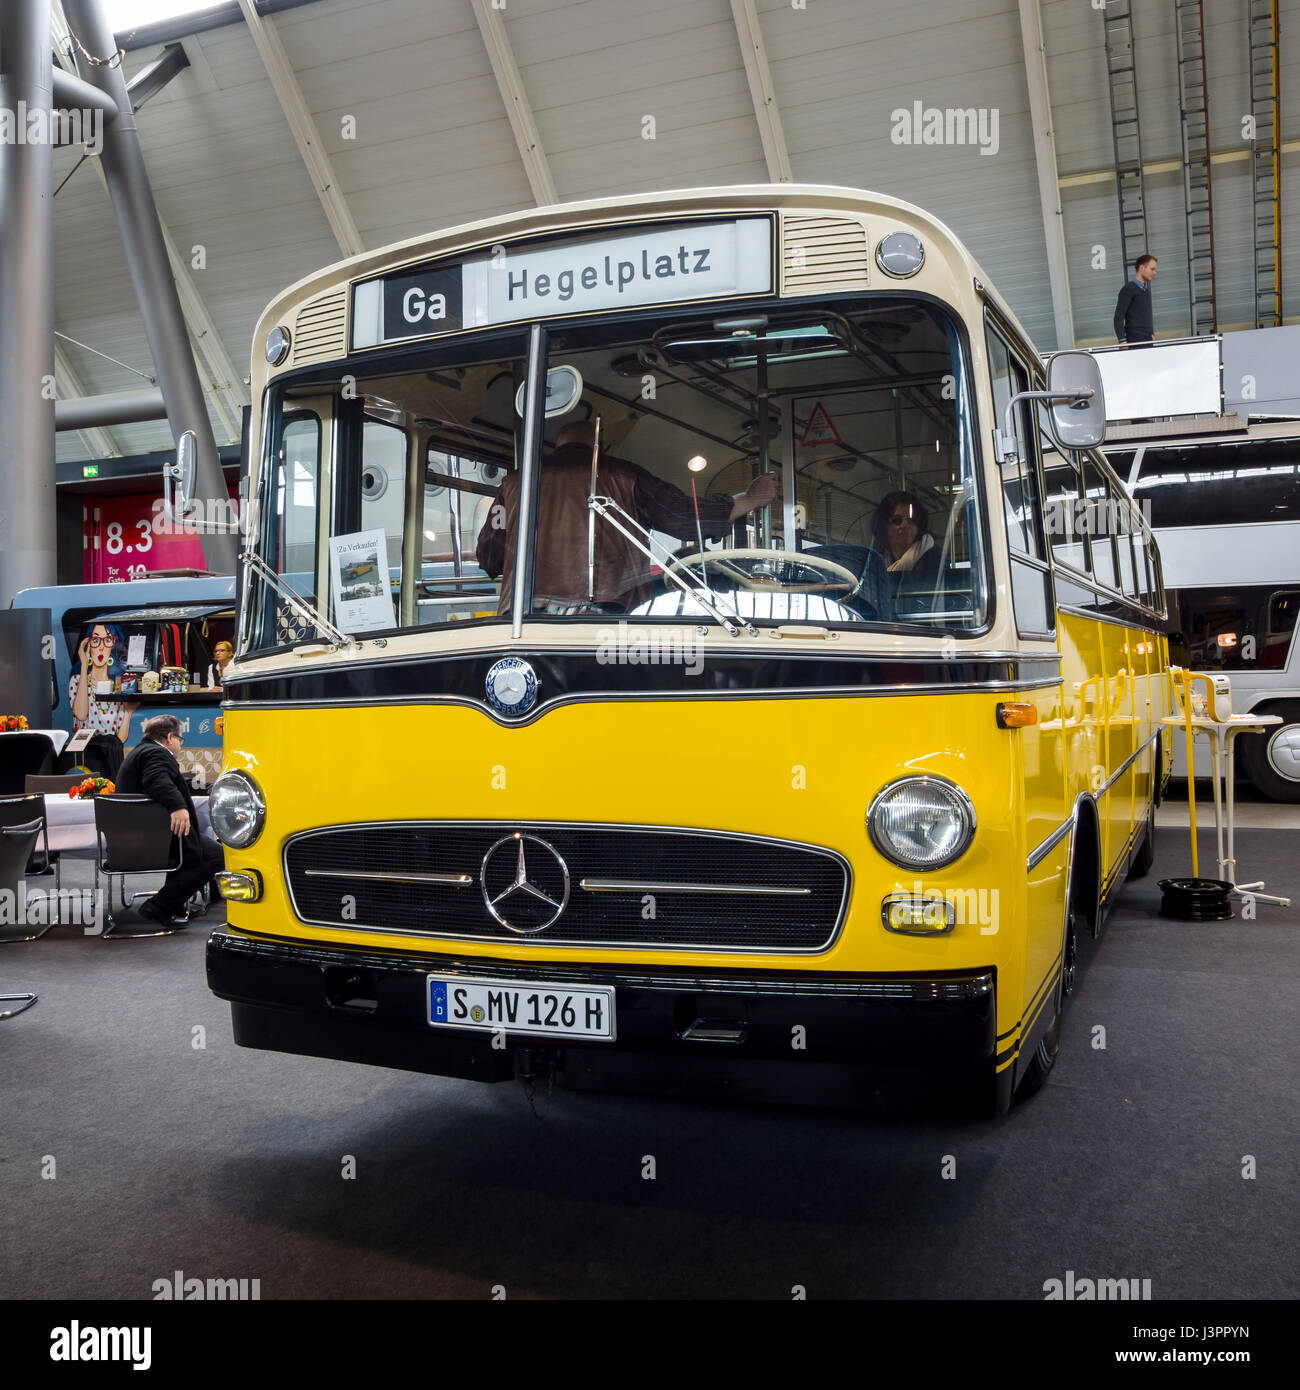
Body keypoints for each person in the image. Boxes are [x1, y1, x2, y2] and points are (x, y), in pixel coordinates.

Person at [475, 419, 779, 614]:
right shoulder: (623, 475)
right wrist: (748, 500)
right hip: (605, 612)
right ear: (601, 447)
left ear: (558, 446)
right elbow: (684, 517)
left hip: (522, 617)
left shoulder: (514, 483)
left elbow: (489, 556)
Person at [116, 714, 223, 929]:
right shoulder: (156, 754)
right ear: (169, 737)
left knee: (203, 850)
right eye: (180, 740)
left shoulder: (143, 751)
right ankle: (159, 906)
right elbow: (158, 781)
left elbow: (171, 781)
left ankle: (171, 904)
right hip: (154, 838)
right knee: (217, 856)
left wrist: (204, 786)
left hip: (140, 835)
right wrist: (178, 807)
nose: (180, 745)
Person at [873, 491, 943, 614]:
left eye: (911, 520)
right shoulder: (875, 560)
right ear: (884, 526)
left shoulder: (934, 557)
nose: (905, 525)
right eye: (897, 520)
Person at [70, 622, 139, 746]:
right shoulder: (77, 680)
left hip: (111, 753)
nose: (101, 647)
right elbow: (80, 715)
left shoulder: (119, 684)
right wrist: (84, 665)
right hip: (86, 751)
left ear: (113, 645)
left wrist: (128, 713)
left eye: (107, 639)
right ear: (88, 644)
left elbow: (120, 739)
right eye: (95, 640)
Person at [1113, 254, 1157, 347]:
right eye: (1152, 269)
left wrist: (1151, 333)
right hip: (1134, 339)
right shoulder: (1128, 289)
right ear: (1141, 268)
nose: (1154, 272)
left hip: (1147, 339)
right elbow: (1118, 316)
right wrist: (1122, 340)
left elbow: (1145, 315)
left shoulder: (1145, 291)